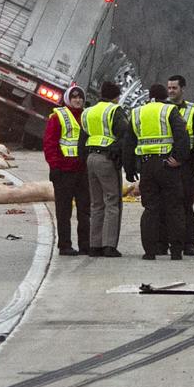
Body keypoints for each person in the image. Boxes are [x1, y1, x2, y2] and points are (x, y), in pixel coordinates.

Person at [123, 83, 189, 261]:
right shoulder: (169, 110)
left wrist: (129, 168)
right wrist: (179, 158)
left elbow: (129, 143)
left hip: (147, 166)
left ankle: (150, 251)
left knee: (150, 208)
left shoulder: (137, 113)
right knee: (174, 207)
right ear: (164, 96)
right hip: (167, 165)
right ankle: (176, 251)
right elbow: (182, 136)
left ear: (149, 97)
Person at [77, 80, 126, 258]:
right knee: (112, 201)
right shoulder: (114, 111)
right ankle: (109, 245)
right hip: (107, 159)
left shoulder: (88, 112)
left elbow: (82, 139)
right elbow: (124, 135)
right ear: (115, 97)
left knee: (96, 203)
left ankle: (94, 245)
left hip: (91, 158)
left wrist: (83, 161)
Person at [44, 85, 91, 256]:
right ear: (68, 99)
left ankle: (85, 245)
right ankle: (64, 245)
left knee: (85, 210)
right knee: (64, 211)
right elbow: (50, 143)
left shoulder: (87, 116)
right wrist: (54, 166)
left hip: (83, 170)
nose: (78, 100)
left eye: (80, 97)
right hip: (64, 171)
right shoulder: (58, 117)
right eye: (74, 97)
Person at [166, 74, 194, 256]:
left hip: (186, 164)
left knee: (186, 204)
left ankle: (188, 244)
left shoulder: (192, 110)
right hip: (167, 162)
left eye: (174, 88)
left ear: (182, 89)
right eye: (169, 88)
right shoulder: (162, 108)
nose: (171, 91)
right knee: (168, 204)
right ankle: (168, 241)